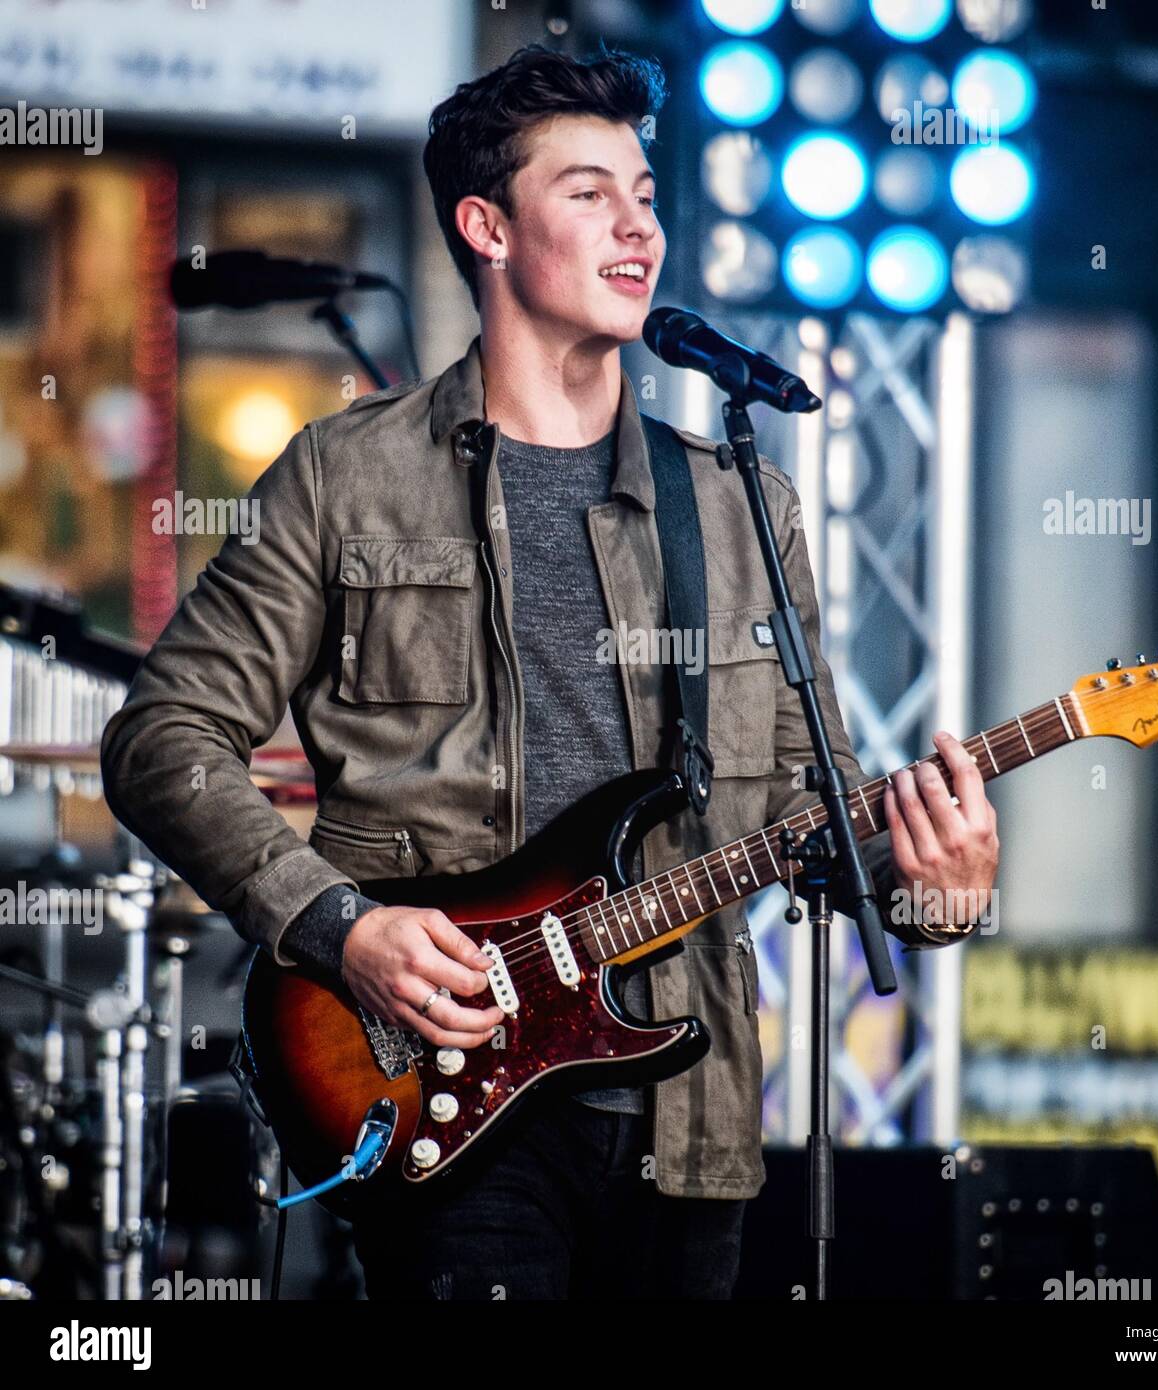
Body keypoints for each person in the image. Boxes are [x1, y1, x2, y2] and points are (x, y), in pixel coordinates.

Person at [100, 43, 998, 1301]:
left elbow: (812, 812)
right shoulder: (345, 475)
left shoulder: (738, 503)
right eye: (588, 193)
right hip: (442, 1085)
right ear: (487, 227)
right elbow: (164, 737)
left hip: (688, 1117)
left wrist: (935, 892)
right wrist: (337, 927)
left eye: (643, 193)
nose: (638, 225)